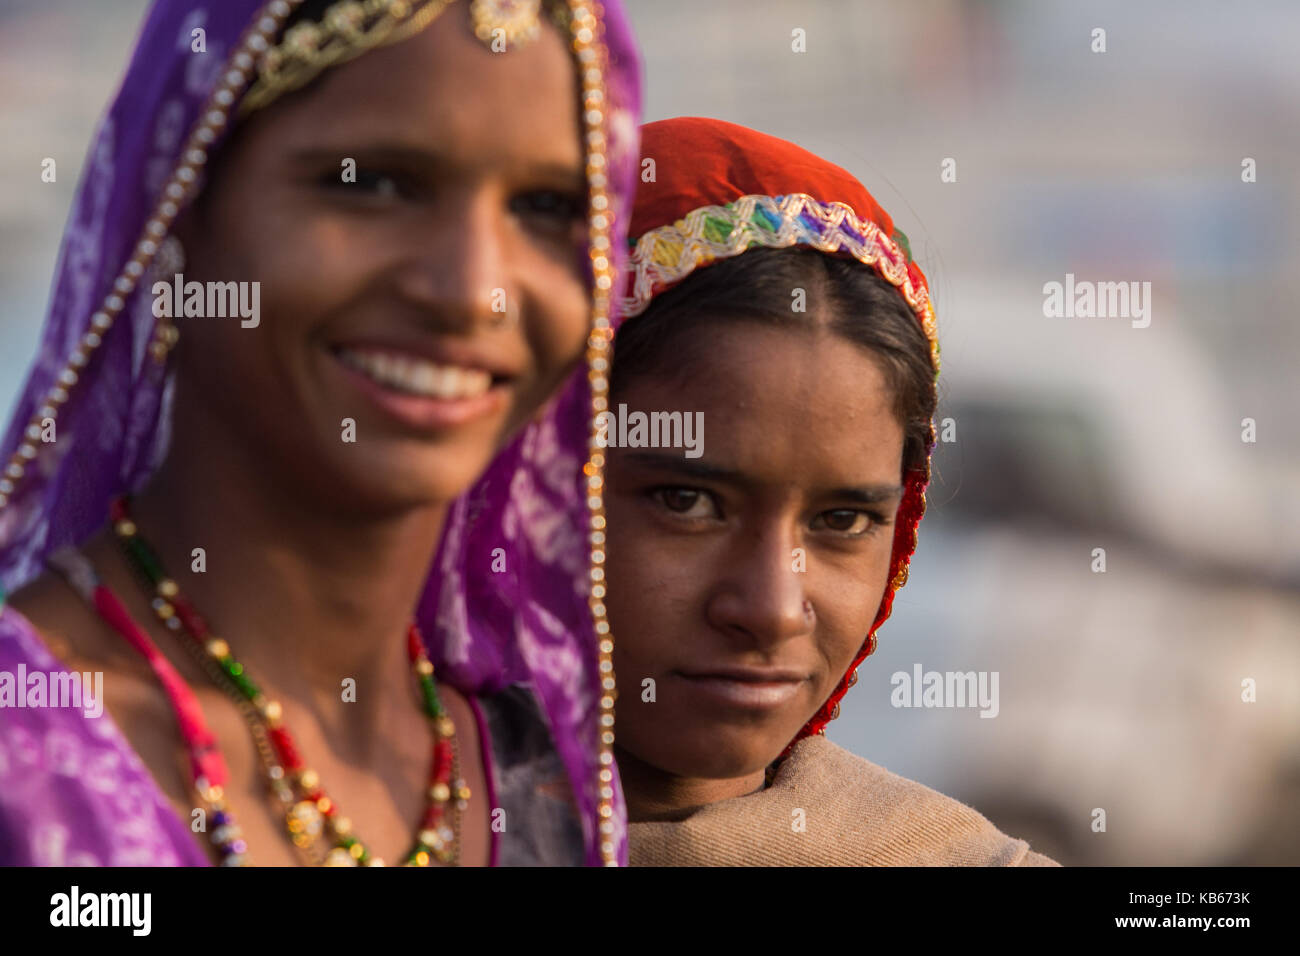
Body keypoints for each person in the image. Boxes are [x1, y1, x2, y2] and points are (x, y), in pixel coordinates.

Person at [0, 0, 641, 867]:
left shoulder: (545, 779)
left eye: (546, 206)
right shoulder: (26, 757)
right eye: (372, 183)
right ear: (176, 204)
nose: (470, 288)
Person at [604, 117, 1057, 866]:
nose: (773, 609)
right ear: (531, 487)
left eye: (843, 519)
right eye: (687, 502)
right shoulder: (373, 832)